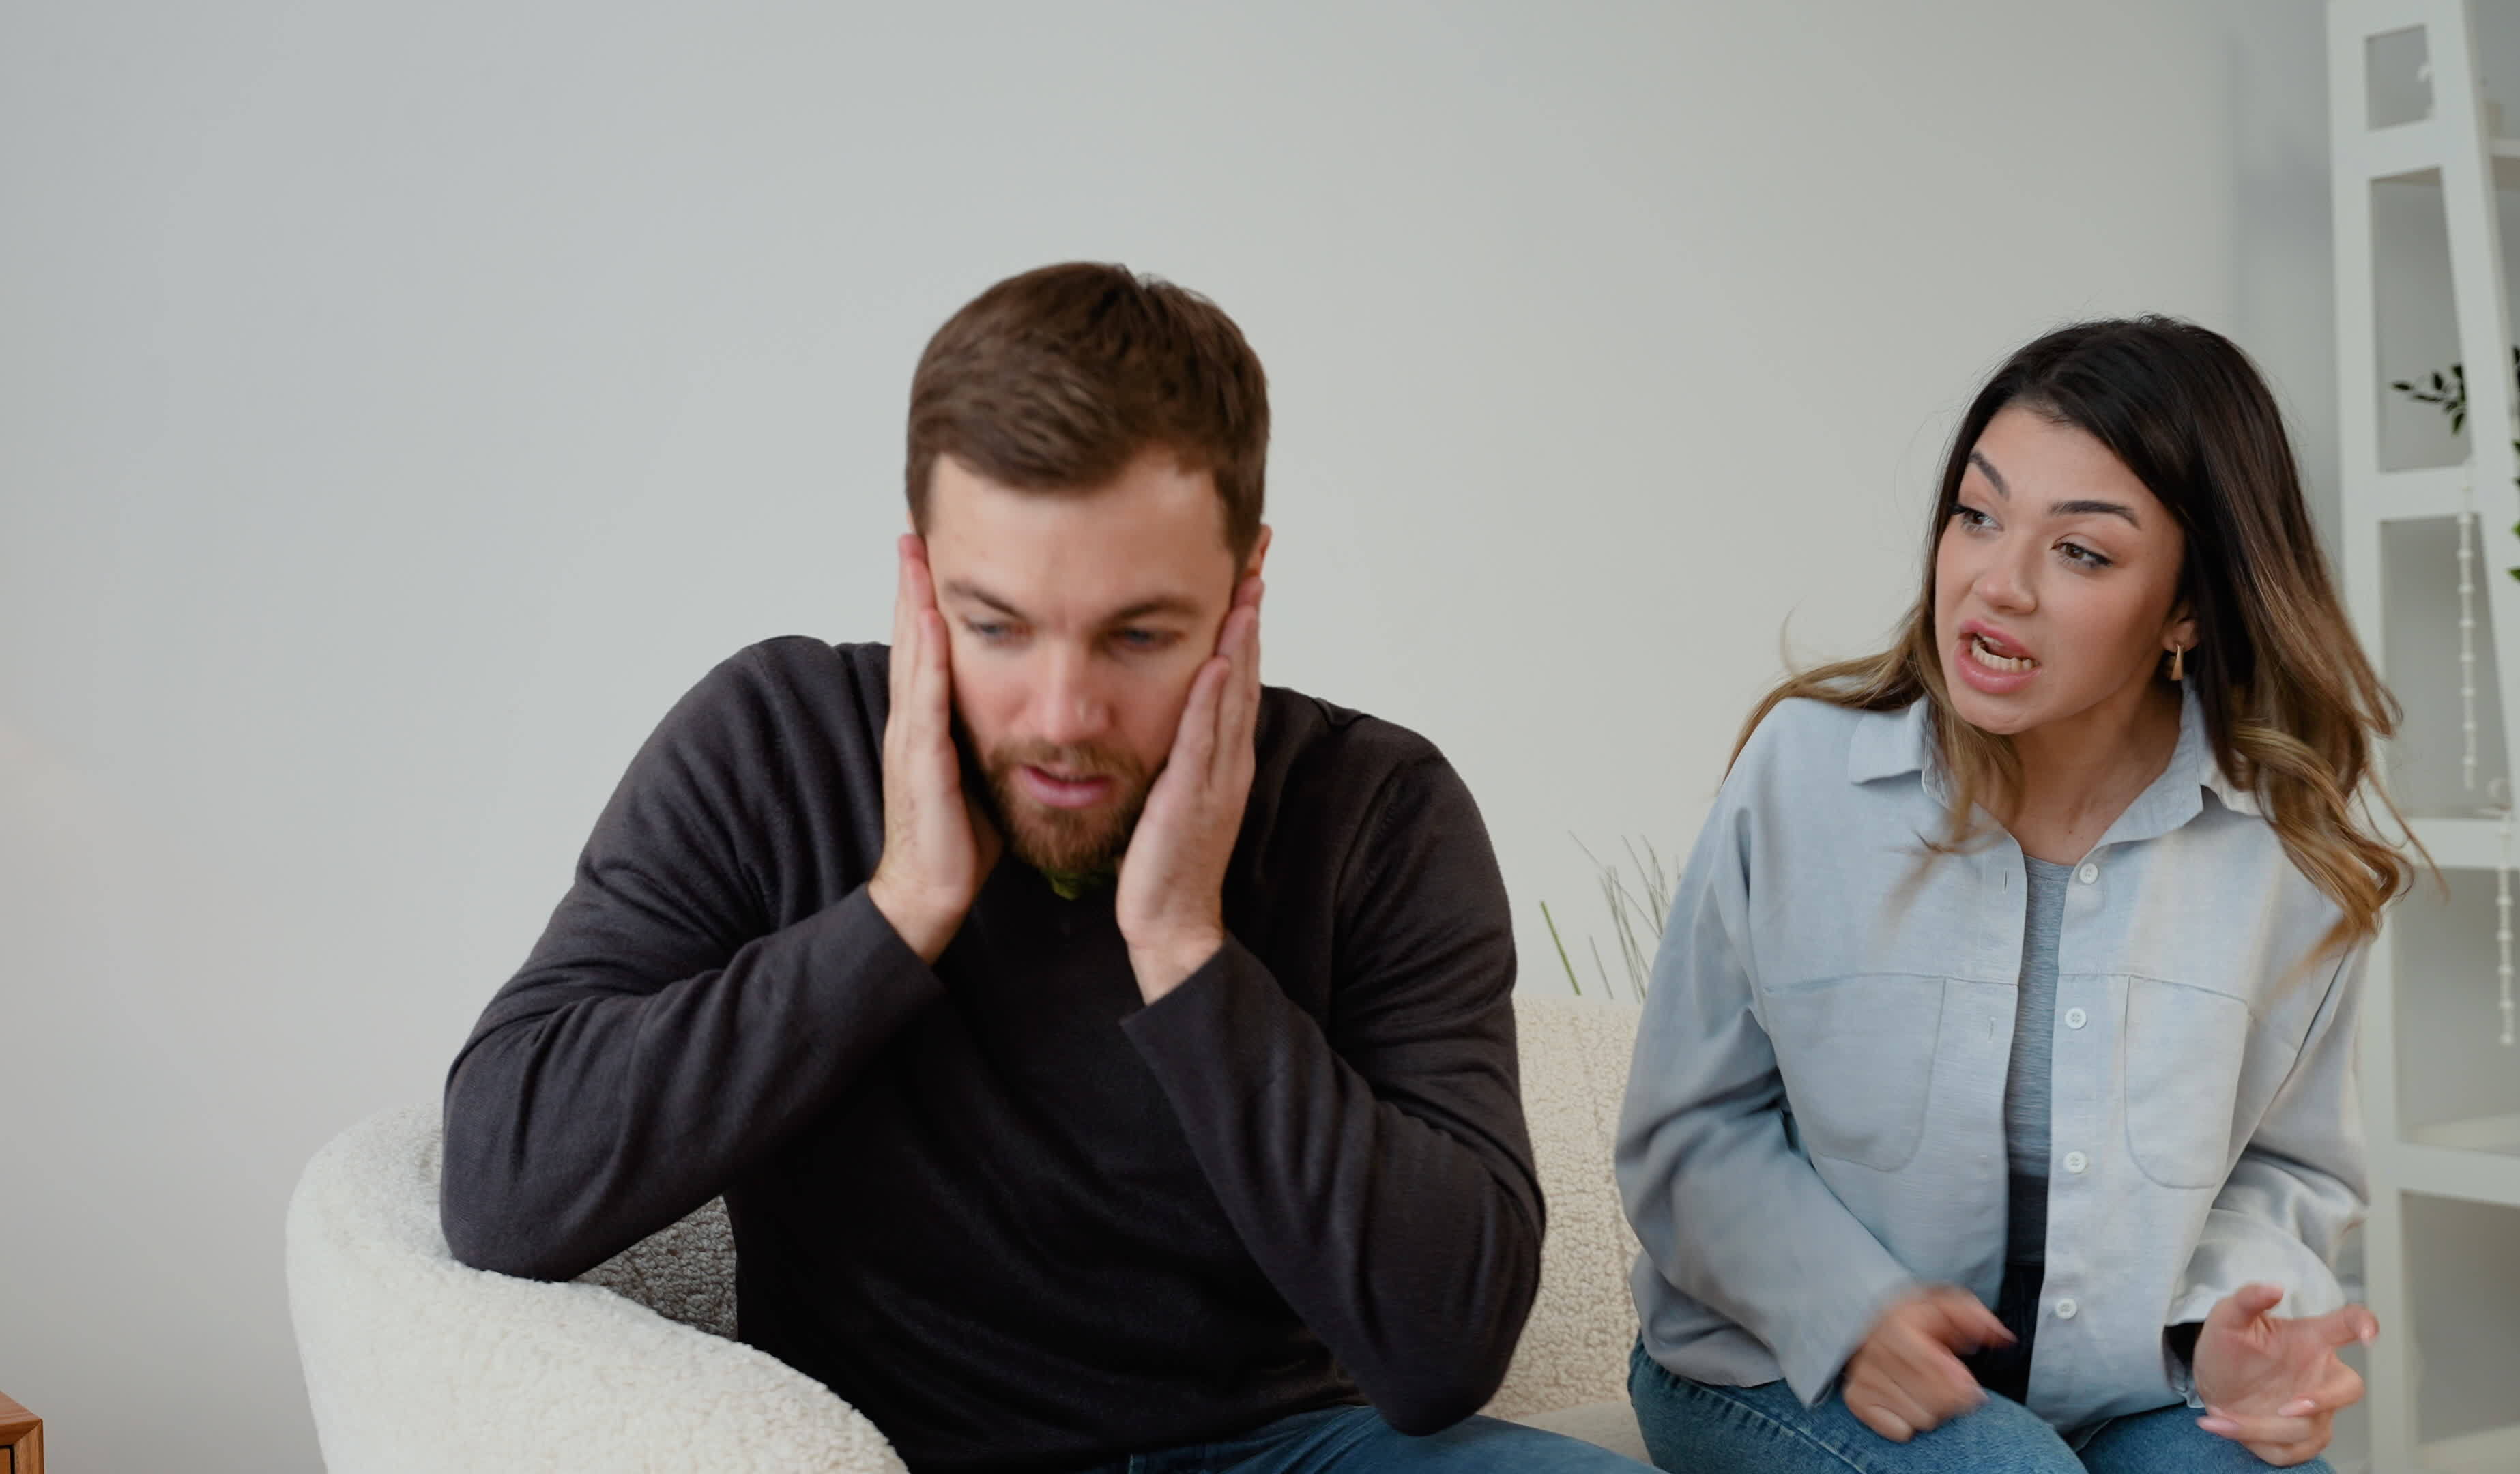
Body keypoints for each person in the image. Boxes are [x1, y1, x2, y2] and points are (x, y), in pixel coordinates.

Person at [439, 263, 1651, 1474]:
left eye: (1139, 635)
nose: (1063, 714)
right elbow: (504, 1186)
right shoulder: (775, 740)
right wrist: (898, 907)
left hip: (1284, 1451)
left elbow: (1443, 1355)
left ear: (1246, 589)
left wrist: (1184, 947)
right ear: (921, 585)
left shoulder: (1380, 809)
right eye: (998, 627)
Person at [1616, 317, 2412, 1473]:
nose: (1998, 583)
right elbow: (1689, 1126)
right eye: (1978, 517)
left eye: (2081, 552)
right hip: (1784, 1364)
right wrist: (1853, 1312)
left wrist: (2240, 1330)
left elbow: (2288, 1170)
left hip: (2129, 1384)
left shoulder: (2282, 850)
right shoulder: (1803, 777)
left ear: (2189, 610)